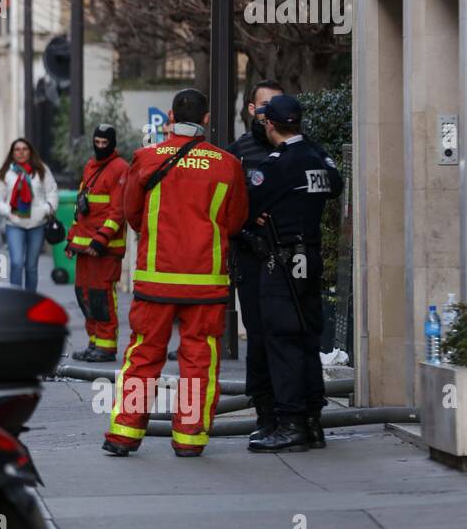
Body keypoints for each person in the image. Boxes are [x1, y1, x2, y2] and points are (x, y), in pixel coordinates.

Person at [103, 88, 247, 458]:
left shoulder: (146, 158)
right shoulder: (226, 164)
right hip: (206, 282)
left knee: (143, 355)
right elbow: (234, 220)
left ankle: (123, 433)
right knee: (199, 358)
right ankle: (189, 438)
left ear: (170, 116)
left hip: (156, 278)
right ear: (207, 118)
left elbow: (131, 212)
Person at [245, 94, 343, 453]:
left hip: (282, 261)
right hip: (311, 257)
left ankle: (289, 424)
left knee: (283, 340)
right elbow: (335, 185)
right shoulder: (317, 157)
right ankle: (312, 421)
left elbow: (246, 206)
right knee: (306, 339)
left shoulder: (276, 166)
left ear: (269, 124)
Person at [228, 80, 285, 439]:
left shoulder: (297, 150)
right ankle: (266, 413)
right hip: (251, 259)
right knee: (260, 338)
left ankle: (293, 412)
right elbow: (224, 210)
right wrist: (248, 226)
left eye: (277, 106)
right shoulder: (236, 153)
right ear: (251, 110)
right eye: (264, 106)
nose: (270, 114)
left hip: (289, 256)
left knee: (289, 336)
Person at [67, 124, 130, 363]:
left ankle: (106, 346)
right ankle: (94, 342)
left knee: (101, 295)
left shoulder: (121, 169)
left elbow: (118, 211)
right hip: (85, 246)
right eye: (97, 142)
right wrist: (72, 240)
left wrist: (101, 239)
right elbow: (81, 207)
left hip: (105, 249)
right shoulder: (91, 166)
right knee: (84, 294)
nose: (100, 147)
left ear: (112, 143)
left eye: (105, 143)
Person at [0, 138, 58, 292]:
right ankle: (17, 300)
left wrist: (45, 210)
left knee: (31, 266)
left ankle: (30, 301)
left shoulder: (42, 170)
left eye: (24, 149)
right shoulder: (5, 173)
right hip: (14, 224)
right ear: (12, 153)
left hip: (37, 224)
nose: (21, 152)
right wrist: (9, 211)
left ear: (30, 151)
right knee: (16, 263)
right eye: (17, 149)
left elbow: (52, 193)